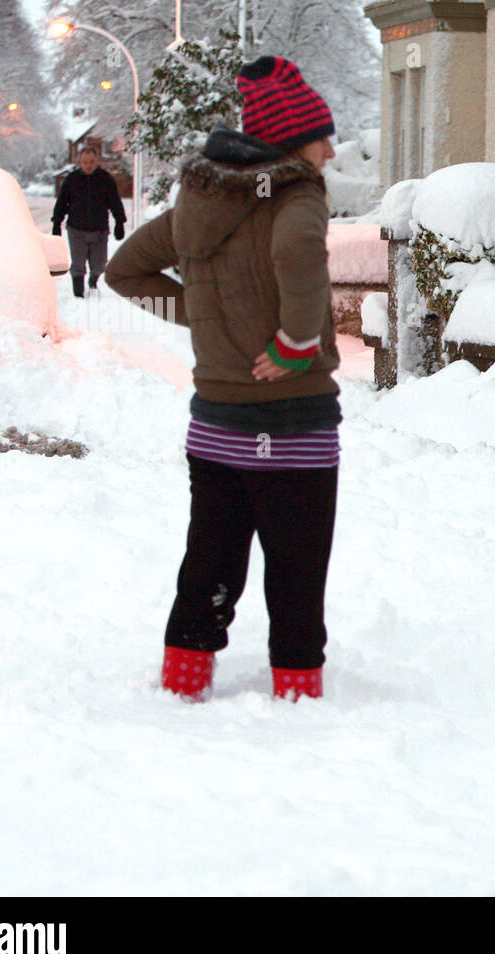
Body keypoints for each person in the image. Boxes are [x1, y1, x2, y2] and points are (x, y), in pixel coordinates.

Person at [106, 56, 340, 703]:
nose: (332, 146)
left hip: (217, 425)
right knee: (295, 566)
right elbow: (296, 250)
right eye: (324, 133)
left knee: (211, 557)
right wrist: (296, 343)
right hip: (293, 423)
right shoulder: (297, 195)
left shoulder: (198, 203)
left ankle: (185, 675)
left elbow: (125, 272)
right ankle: (296, 686)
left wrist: (201, 317)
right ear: (295, 142)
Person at [51, 146, 126, 297]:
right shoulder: (71, 180)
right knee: (78, 264)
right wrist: (56, 223)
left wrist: (120, 222)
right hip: (76, 229)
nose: (88, 165)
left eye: (91, 161)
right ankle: (78, 293)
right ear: (80, 162)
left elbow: (115, 202)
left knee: (99, 265)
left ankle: (93, 280)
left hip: (100, 230)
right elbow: (62, 202)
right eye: (85, 162)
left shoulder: (105, 179)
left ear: (97, 161)